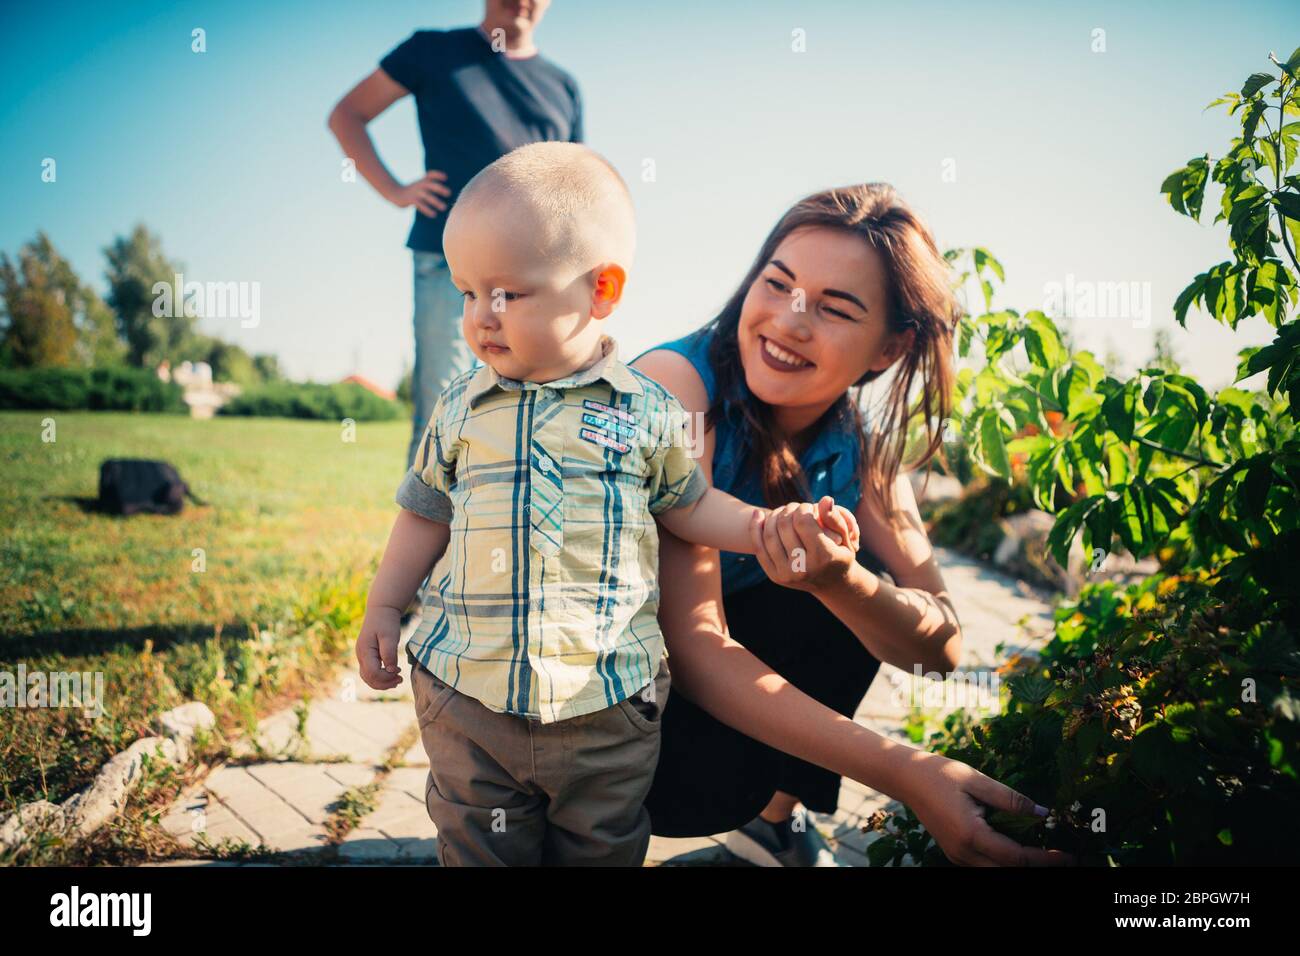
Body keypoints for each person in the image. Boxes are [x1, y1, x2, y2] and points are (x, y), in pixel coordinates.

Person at [354, 142, 857, 866]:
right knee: (479, 848)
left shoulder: (646, 410)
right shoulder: (461, 407)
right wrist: (383, 605)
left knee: (603, 849)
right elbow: (424, 511)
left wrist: (769, 525)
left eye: (507, 294)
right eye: (467, 293)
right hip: (468, 698)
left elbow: (690, 505)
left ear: (601, 291)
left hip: (605, 709)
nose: (480, 319)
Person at [631, 183, 1072, 866]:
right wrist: (908, 772)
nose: (790, 321)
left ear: (889, 350)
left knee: (856, 581)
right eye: (777, 284)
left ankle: (772, 821)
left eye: (836, 309)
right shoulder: (676, 387)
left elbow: (941, 645)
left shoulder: (858, 448)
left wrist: (842, 584)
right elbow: (691, 649)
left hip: (717, 714)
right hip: (614, 709)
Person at [327, 0, 582, 471]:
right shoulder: (432, 51)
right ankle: (422, 545)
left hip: (535, 276)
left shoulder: (562, 86)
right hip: (450, 264)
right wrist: (395, 189)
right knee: (445, 408)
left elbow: (575, 186)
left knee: (525, 412)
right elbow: (347, 114)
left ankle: (497, 538)